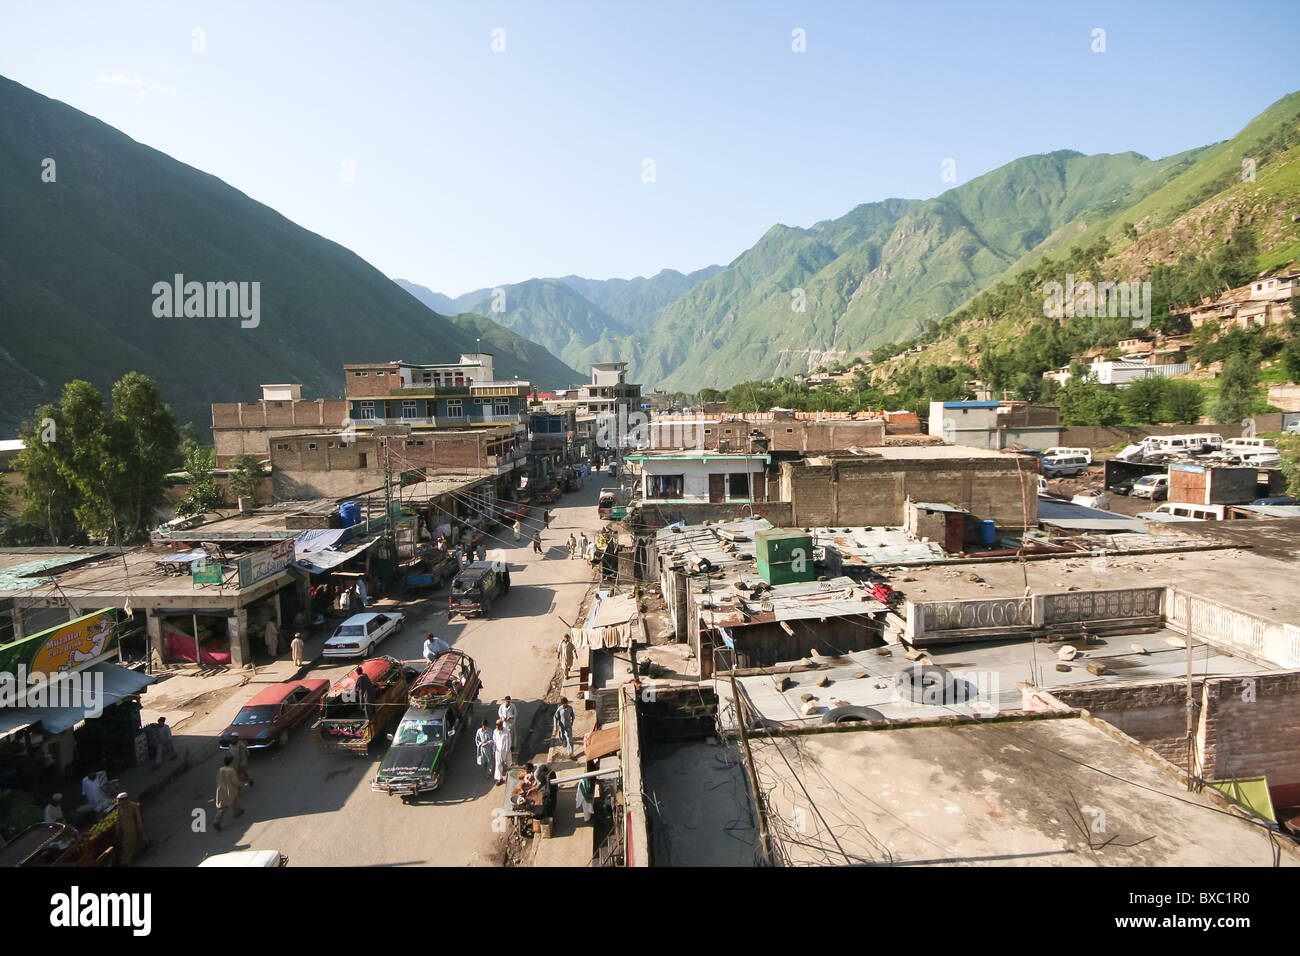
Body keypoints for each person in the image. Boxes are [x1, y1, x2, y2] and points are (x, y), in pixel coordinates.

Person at [213, 756, 243, 831]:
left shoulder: (220, 769)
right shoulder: (231, 770)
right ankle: (237, 811)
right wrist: (240, 784)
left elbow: (217, 779)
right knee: (234, 800)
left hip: (221, 790)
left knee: (222, 807)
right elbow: (234, 781)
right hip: (230, 790)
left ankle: (217, 821)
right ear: (231, 762)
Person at [115, 793, 144, 865]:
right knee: (126, 845)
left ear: (125, 799)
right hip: (125, 830)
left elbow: (138, 819)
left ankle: (126, 861)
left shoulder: (134, 806)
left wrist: (139, 828)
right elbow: (119, 820)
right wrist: (118, 829)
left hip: (132, 828)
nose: (119, 802)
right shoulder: (120, 808)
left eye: (120, 800)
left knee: (129, 845)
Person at [491, 719, 512, 785]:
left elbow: (509, 742)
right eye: (496, 726)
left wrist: (507, 751)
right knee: (498, 765)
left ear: (501, 726)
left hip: (506, 751)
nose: (496, 727)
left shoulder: (507, 732)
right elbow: (494, 742)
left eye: (498, 726)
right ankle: (499, 779)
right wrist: (494, 750)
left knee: (509, 764)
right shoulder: (495, 732)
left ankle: (511, 778)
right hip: (498, 752)